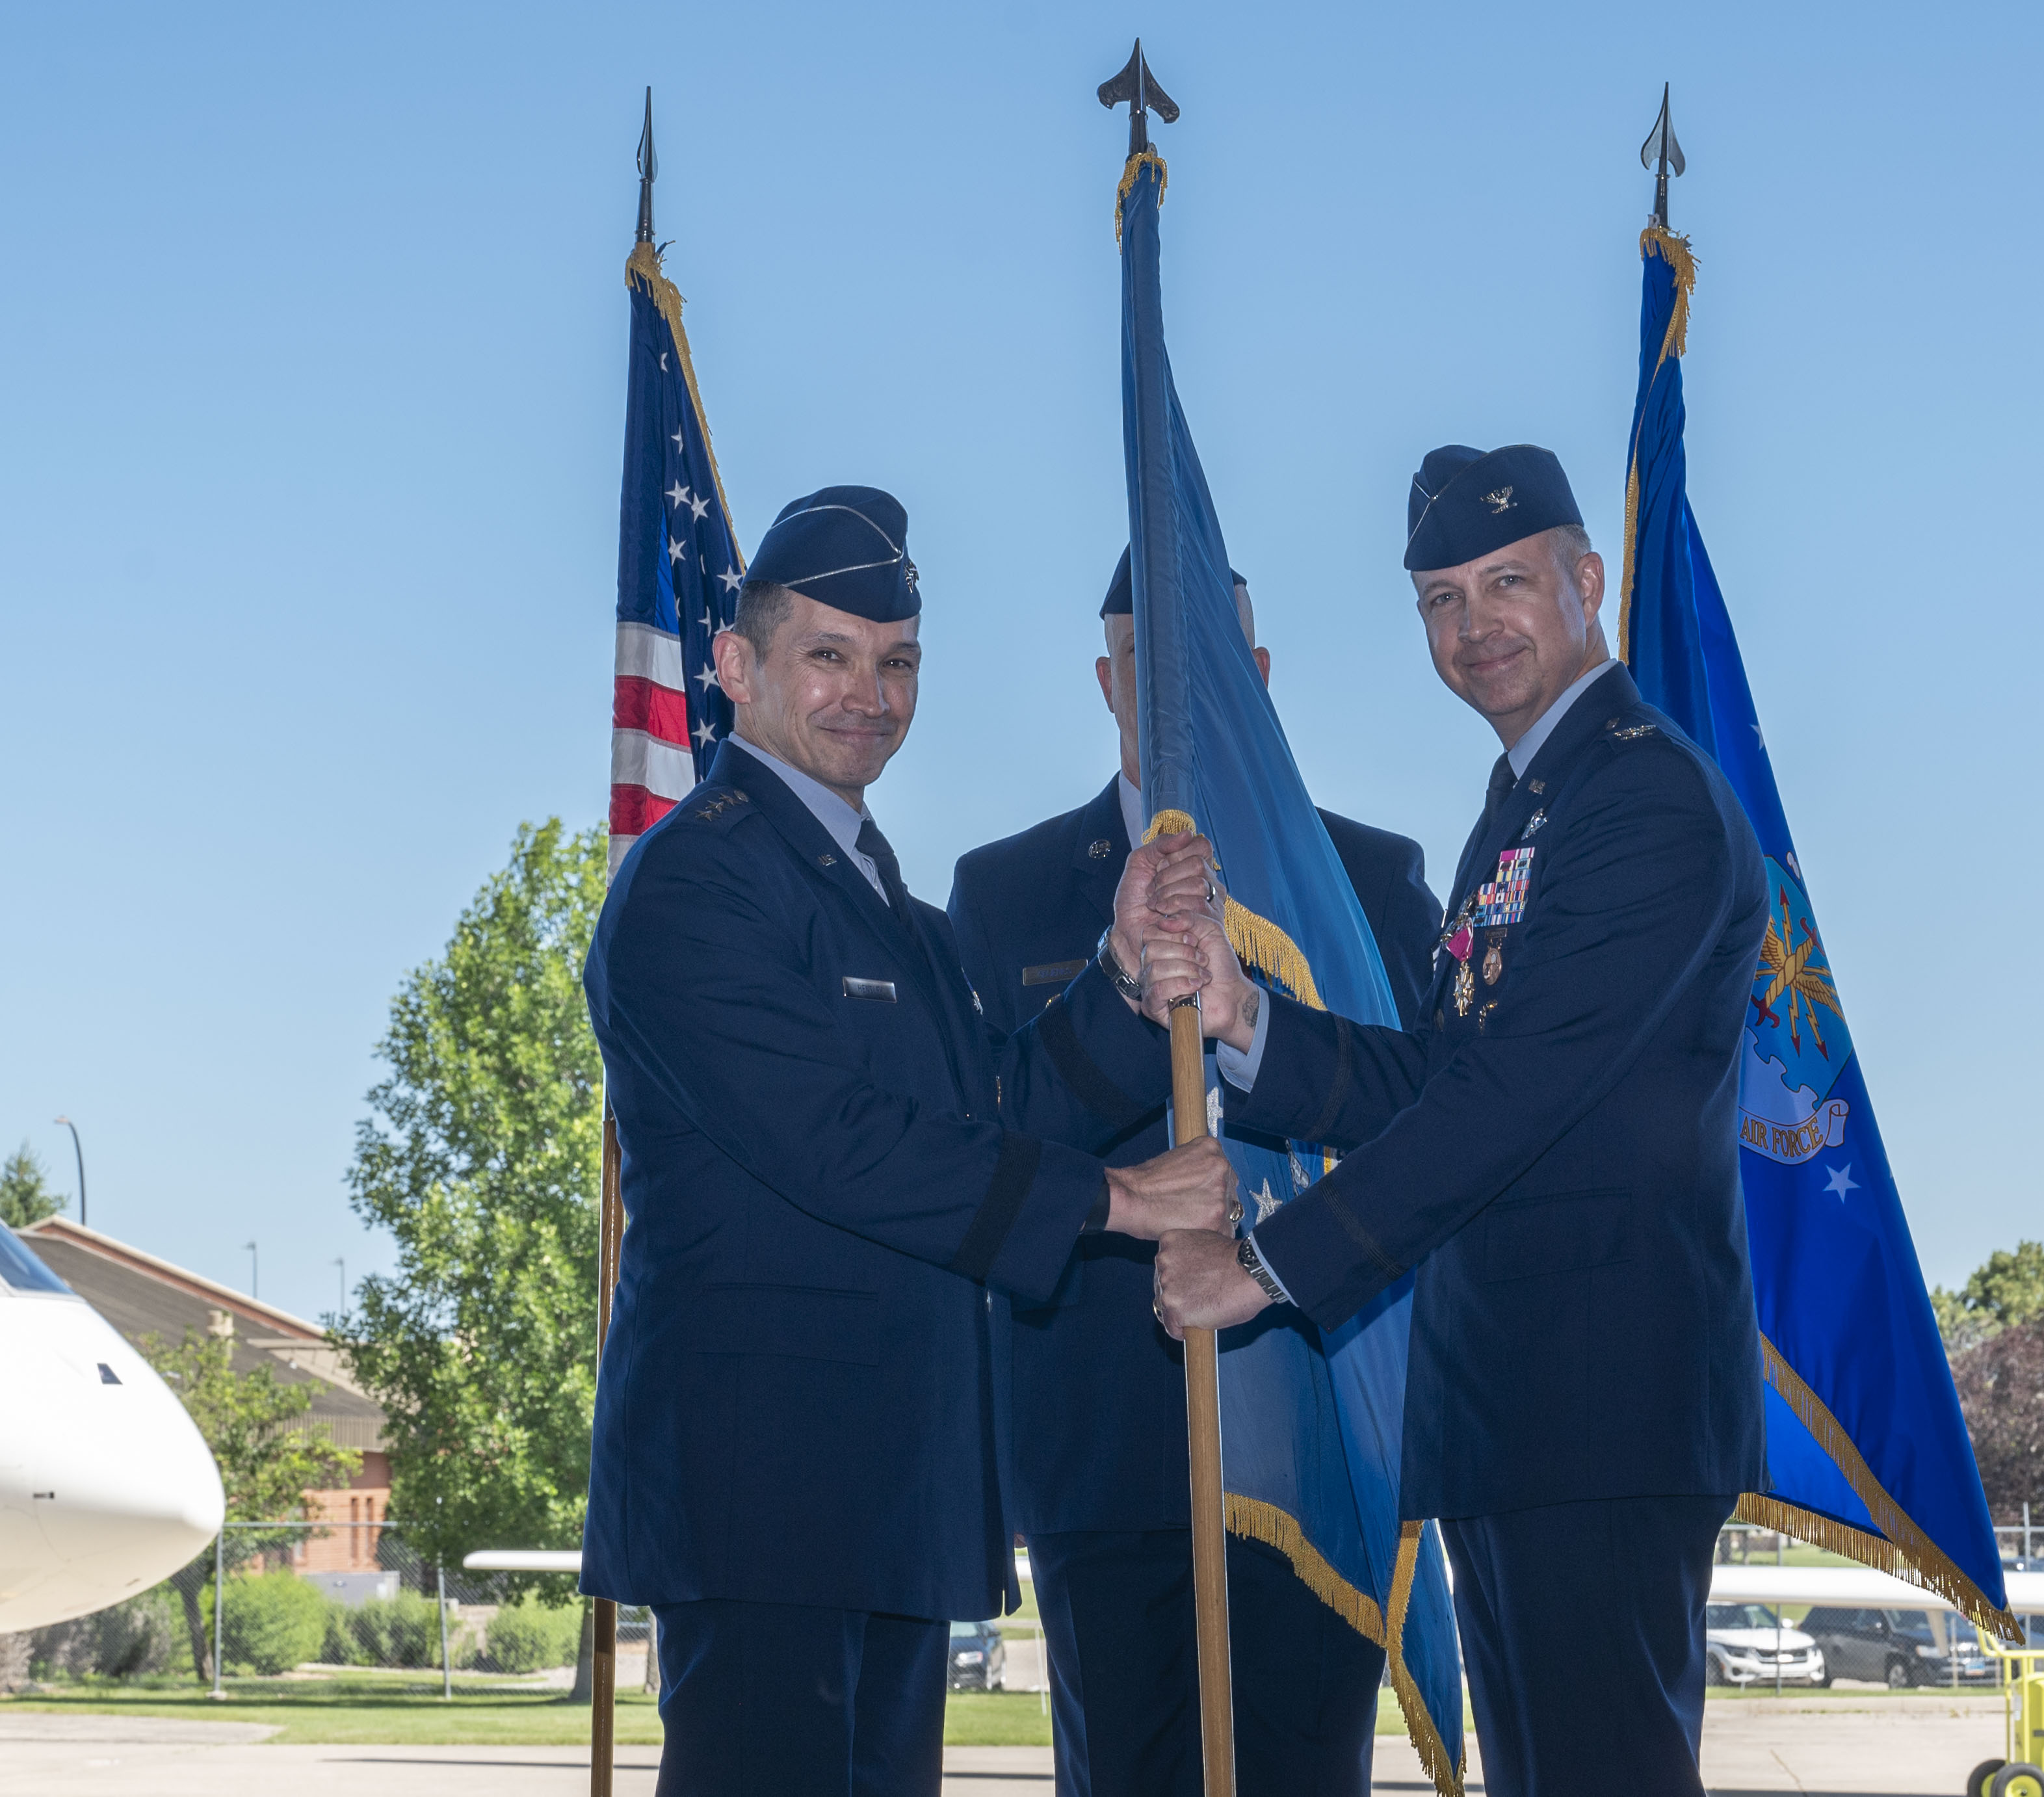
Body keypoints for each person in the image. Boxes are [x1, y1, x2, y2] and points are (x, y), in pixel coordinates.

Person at [580, 486, 1237, 1797]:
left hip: (889, 1486)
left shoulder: (893, 907)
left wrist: (1118, 973)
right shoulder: (697, 880)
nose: (869, 695)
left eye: (898, 662)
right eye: (828, 655)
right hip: (765, 1492)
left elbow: (992, 1102)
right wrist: (1118, 1199)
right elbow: (837, 1143)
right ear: (736, 668)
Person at [1149, 445, 1768, 1797]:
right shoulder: (1530, 802)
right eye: (1442, 598)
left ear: (1586, 581)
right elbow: (1448, 1073)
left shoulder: (1644, 796)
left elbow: (1518, 1092)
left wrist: (1262, 1266)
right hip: (1517, 1398)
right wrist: (1251, 1020)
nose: (1475, 624)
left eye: (1506, 583)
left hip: (1605, 1403)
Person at [946, 550, 1442, 1797]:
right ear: (1105, 680)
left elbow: (1432, 1125)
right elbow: (982, 1141)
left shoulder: (1369, 885)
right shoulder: (1003, 892)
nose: (1173, 698)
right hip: (1103, 1448)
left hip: (1322, 1436)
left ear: (1257, 677)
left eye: (1209, 668)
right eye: (1146, 667)